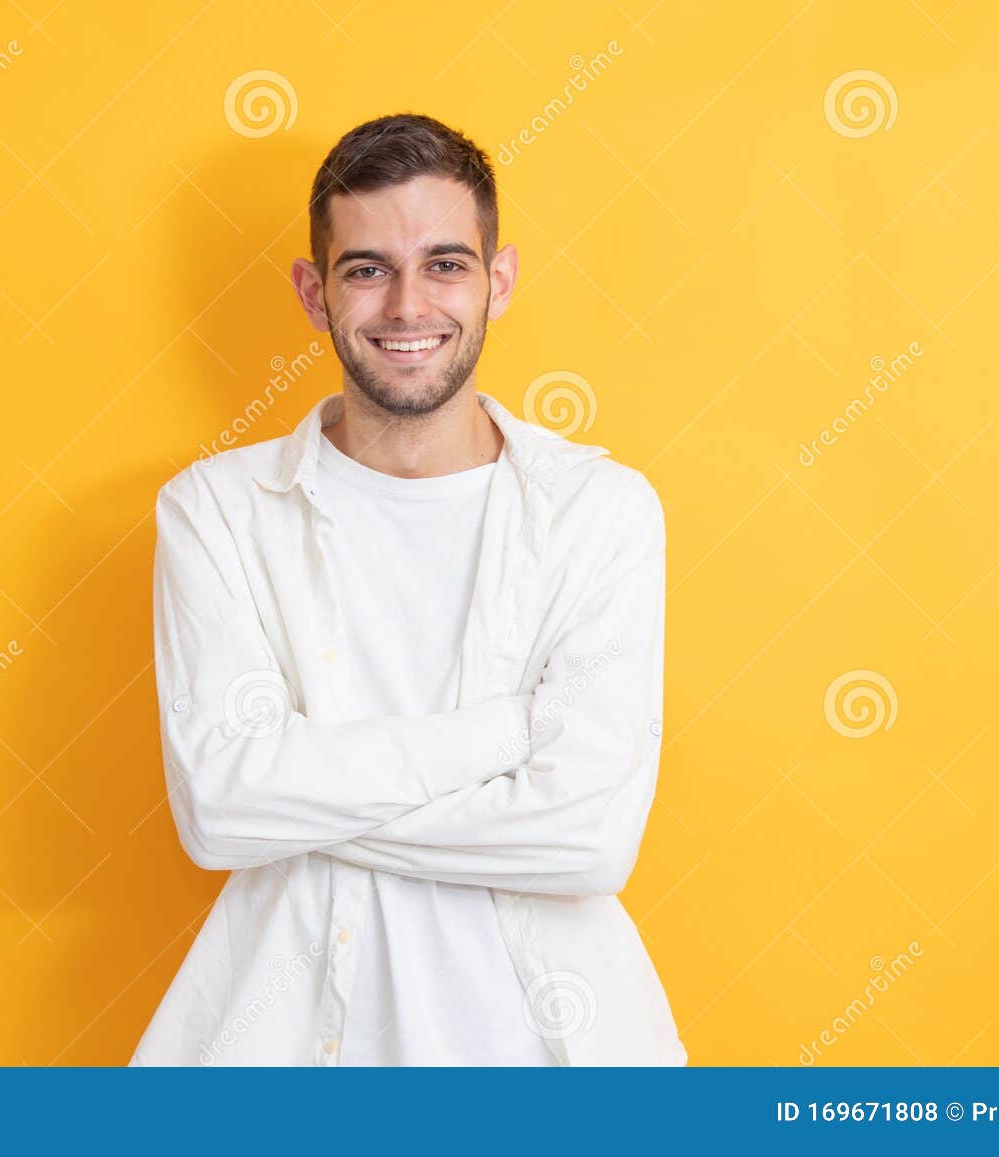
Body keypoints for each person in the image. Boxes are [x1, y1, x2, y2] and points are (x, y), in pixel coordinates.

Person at [129, 113, 686, 1066]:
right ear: (315, 292)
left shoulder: (601, 511)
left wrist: (301, 797)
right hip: (281, 1045)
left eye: (444, 263)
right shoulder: (216, 513)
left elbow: (586, 841)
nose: (406, 305)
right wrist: (510, 733)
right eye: (366, 268)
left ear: (496, 280)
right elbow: (222, 813)